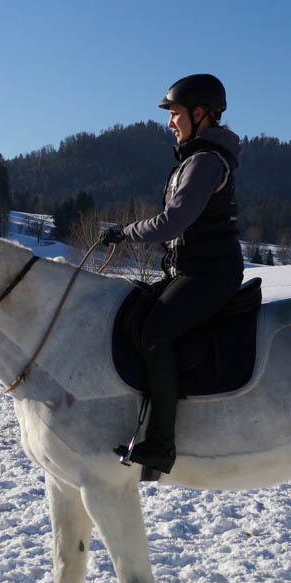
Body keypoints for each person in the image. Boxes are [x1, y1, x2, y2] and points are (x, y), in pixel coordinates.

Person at [102, 73, 243, 473]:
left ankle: (162, 446)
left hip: (210, 274)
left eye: (175, 114)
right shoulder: (195, 160)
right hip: (192, 269)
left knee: (155, 333)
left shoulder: (205, 162)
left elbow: (173, 222)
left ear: (200, 114)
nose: (170, 123)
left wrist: (125, 233)